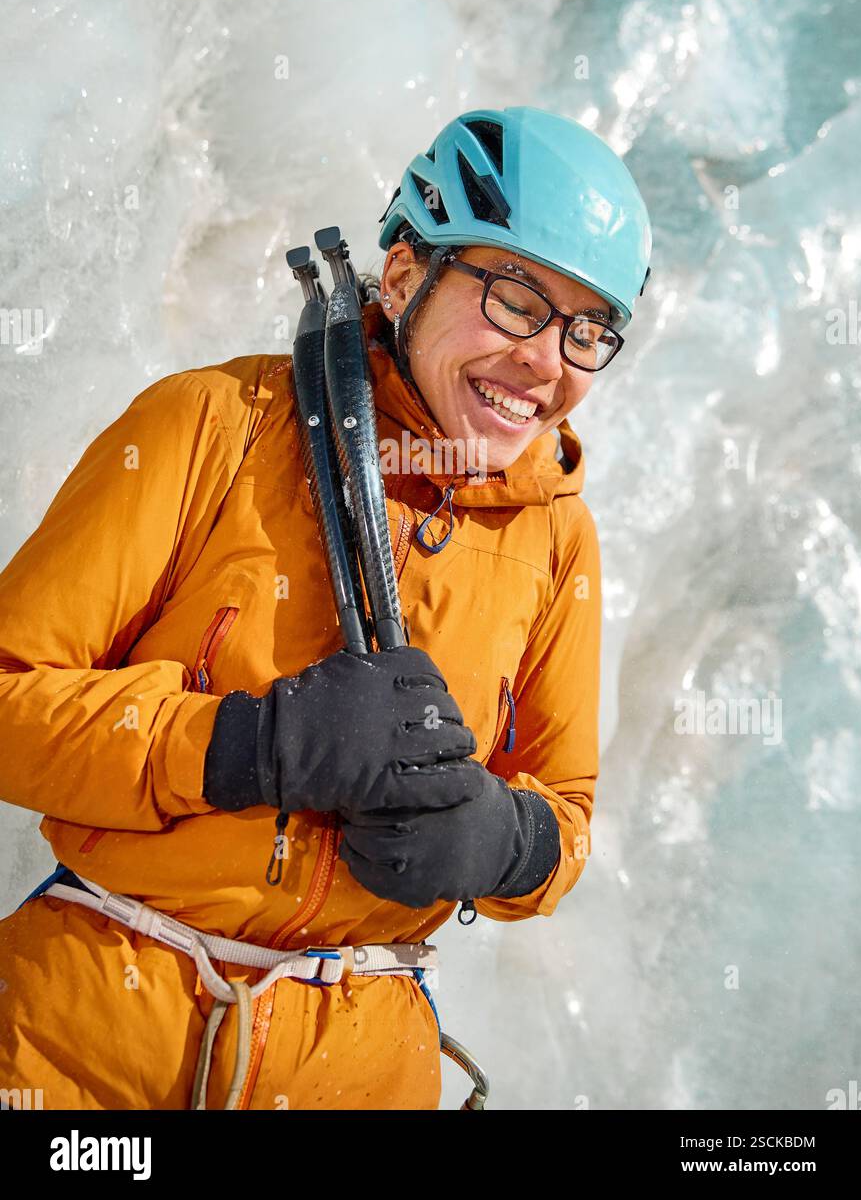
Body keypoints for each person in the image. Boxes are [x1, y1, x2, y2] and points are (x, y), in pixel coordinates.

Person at [0, 105, 651, 1111]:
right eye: (517, 298)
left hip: (360, 1071)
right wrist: (247, 745)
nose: (545, 358)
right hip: (77, 1057)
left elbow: (561, 821)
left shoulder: (555, 539)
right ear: (402, 275)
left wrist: (499, 839)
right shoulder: (211, 426)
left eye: (585, 328)